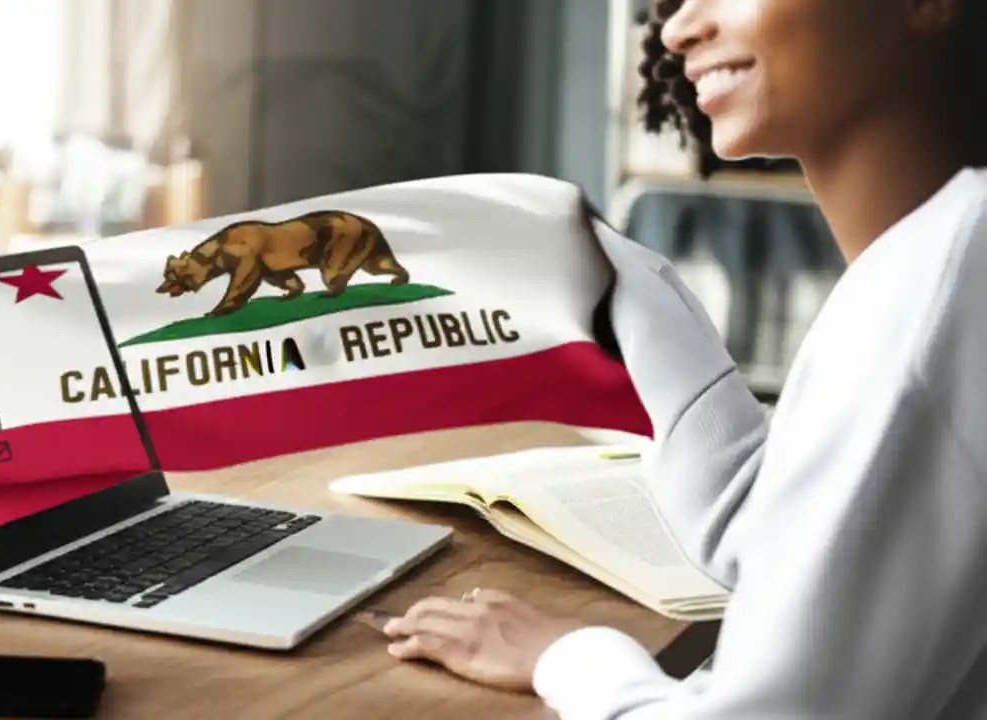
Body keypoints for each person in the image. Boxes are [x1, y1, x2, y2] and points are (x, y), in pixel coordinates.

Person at [383, 0, 987, 717]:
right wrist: (633, 292)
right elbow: (791, 537)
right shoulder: (934, 257)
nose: (676, 28)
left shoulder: (935, 285)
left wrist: (569, 657)